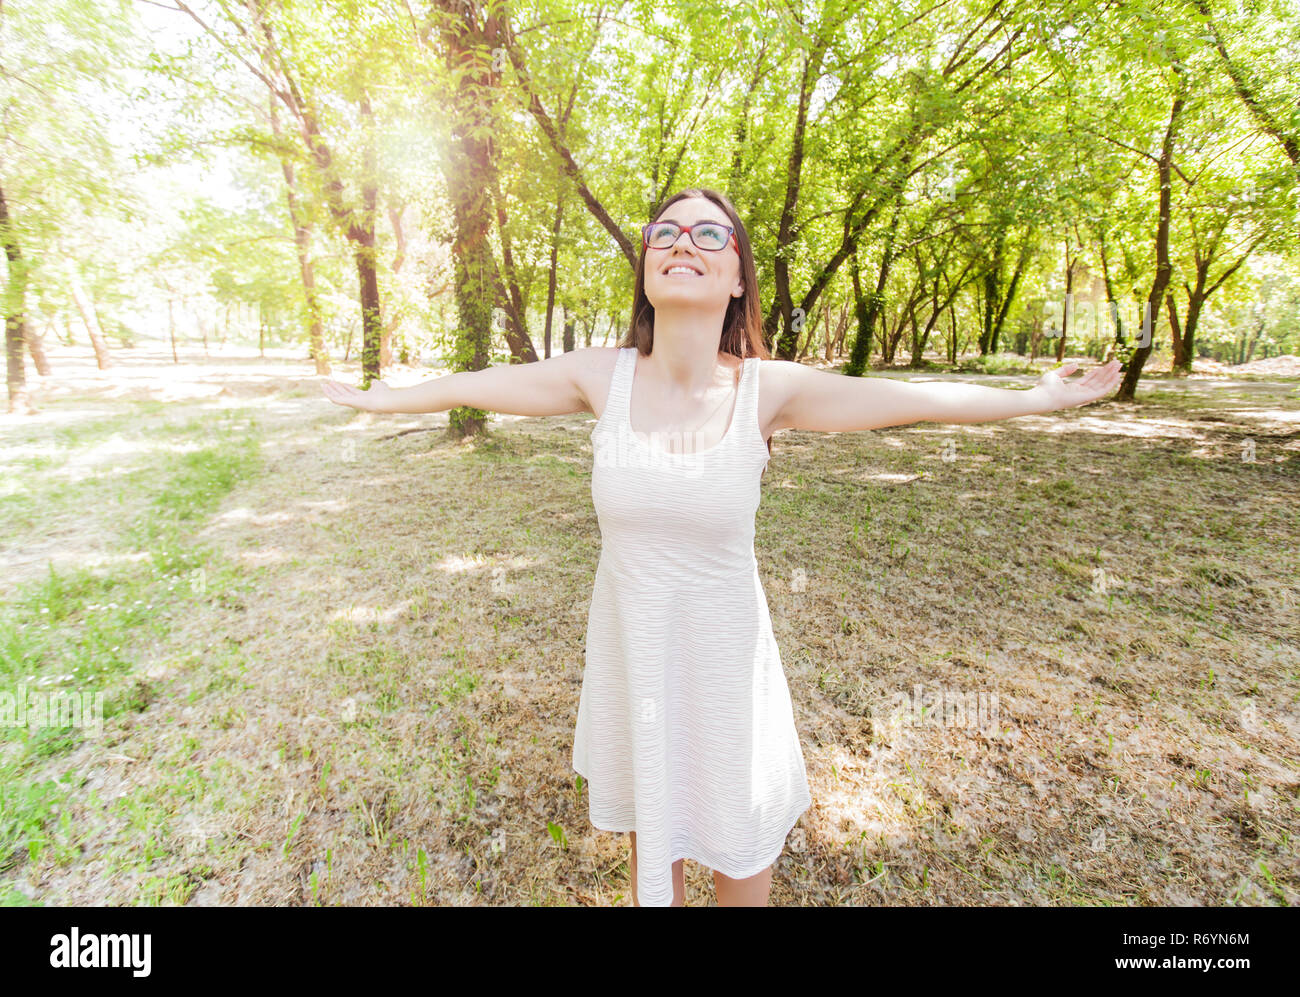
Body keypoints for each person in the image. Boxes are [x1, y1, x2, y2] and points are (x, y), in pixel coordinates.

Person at [321, 187, 1122, 906]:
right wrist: (381, 399)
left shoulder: (767, 390)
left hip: (729, 676)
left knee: (739, 866)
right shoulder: (602, 378)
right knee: (654, 875)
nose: (682, 243)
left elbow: (915, 400)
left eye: (710, 235)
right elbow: (472, 383)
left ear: (738, 276)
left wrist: (1038, 397)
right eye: (665, 231)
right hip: (638, 665)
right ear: (645, 268)